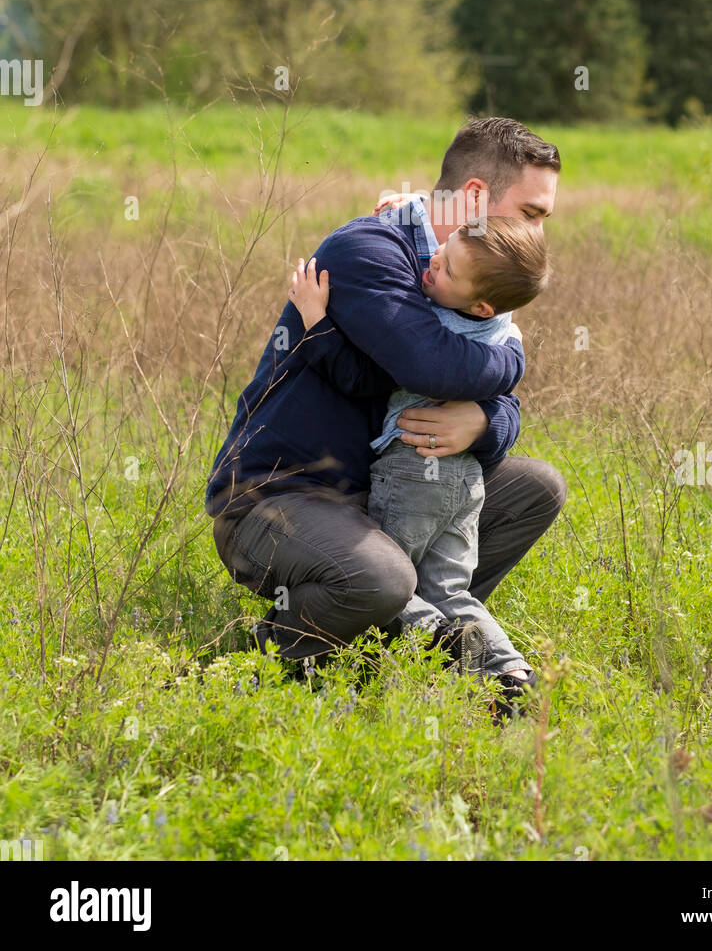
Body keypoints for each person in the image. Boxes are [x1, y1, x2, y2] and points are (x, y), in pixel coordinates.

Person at [206, 116, 566, 693]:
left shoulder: (473, 272)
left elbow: (492, 390)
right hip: (284, 494)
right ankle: (261, 659)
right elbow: (429, 367)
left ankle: (428, 638)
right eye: (530, 214)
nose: (537, 234)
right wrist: (513, 366)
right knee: (380, 577)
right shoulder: (370, 251)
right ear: (474, 197)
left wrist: (485, 419)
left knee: (536, 489)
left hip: (389, 488)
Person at [287, 210, 549, 702]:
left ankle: (439, 642)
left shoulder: (433, 325)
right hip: (465, 479)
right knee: (452, 589)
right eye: (442, 249)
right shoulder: (502, 328)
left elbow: (357, 378)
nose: (431, 262)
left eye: (448, 269)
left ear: (480, 305)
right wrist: (410, 208)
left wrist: (316, 322)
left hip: (412, 472)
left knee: (393, 585)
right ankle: (513, 676)